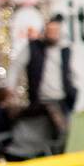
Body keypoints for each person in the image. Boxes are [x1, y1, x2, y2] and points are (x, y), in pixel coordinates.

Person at [11, 15, 77, 154]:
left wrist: (72, 90)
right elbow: (15, 67)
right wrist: (10, 90)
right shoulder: (33, 48)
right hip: (40, 103)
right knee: (45, 138)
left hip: (61, 101)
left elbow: (74, 74)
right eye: (50, 30)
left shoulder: (65, 50)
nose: (52, 34)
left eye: (56, 31)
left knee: (64, 137)